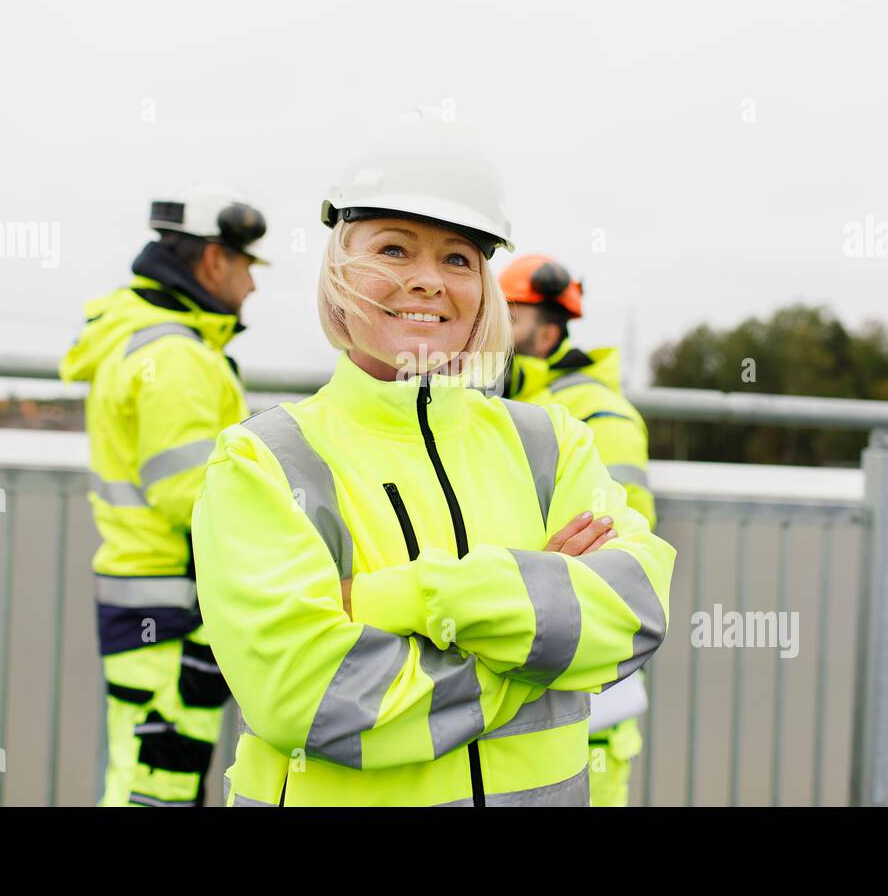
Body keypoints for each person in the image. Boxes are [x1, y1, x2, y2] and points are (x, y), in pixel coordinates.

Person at [192, 108, 675, 806]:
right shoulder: (263, 463)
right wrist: (540, 646)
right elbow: (312, 698)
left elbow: (635, 612)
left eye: (458, 257)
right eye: (393, 249)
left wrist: (406, 600)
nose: (428, 280)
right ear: (338, 271)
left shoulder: (554, 442)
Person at [59, 186, 268, 806]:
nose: (252, 287)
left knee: (152, 779)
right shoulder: (175, 356)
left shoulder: (153, 341)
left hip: (154, 598)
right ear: (213, 262)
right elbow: (191, 493)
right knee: (155, 785)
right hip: (170, 607)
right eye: (247, 267)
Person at [498, 253, 656, 807]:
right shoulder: (514, 405)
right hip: (528, 685)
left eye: (509, 317)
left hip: (587, 708)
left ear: (545, 329)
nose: (495, 331)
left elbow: (611, 564)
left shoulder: (597, 414)